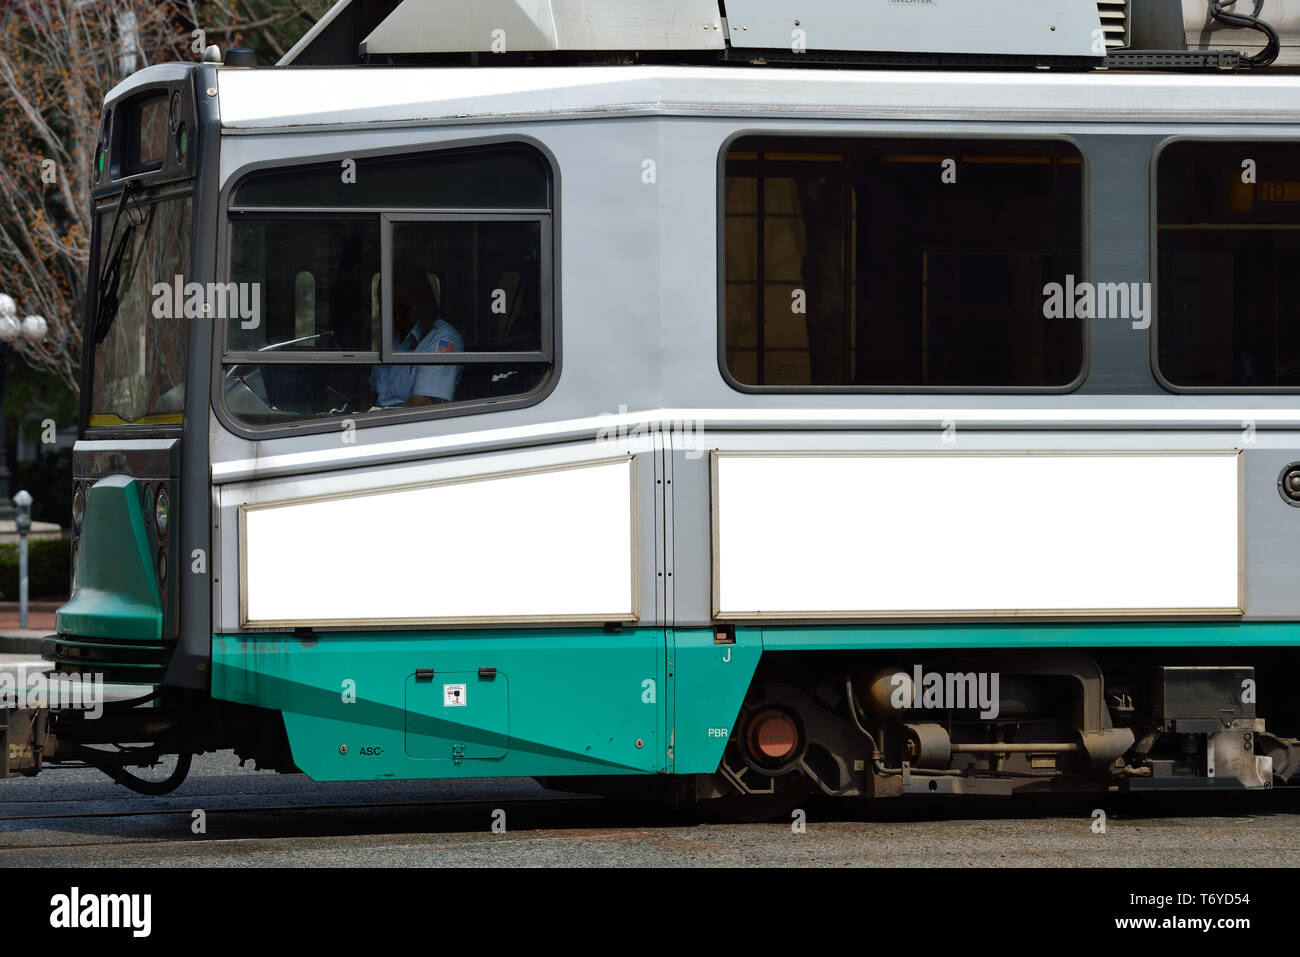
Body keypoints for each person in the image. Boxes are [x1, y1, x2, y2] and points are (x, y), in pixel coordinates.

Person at [369, 262, 463, 408]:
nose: (396, 319)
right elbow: (373, 393)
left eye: (403, 310)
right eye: (390, 312)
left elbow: (423, 405)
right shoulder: (394, 338)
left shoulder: (442, 339)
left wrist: (372, 418)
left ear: (422, 303)